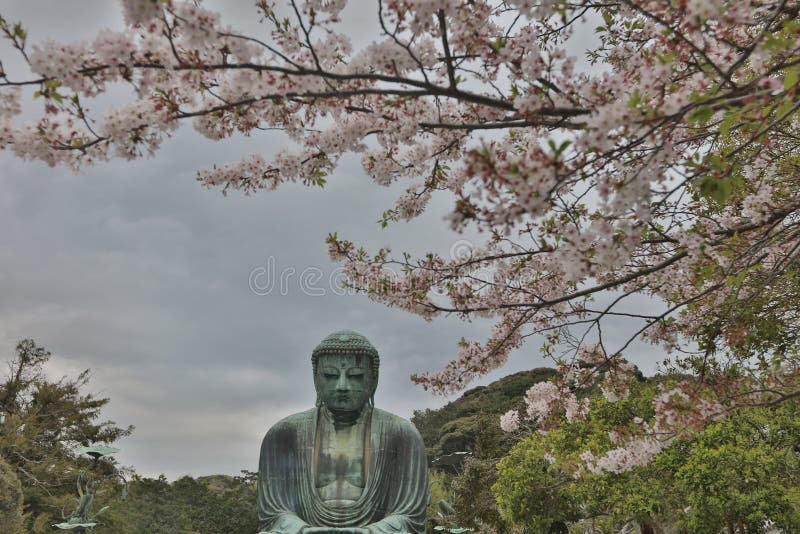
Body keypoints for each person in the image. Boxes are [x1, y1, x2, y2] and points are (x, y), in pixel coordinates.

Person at [257, 331, 429, 533]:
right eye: (330, 375)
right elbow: (273, 515)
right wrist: (304, 531)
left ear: (373, 380)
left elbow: (410, 518)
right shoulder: (285, 434)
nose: (342, 386)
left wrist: (366, 533)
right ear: (316, 379)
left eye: (355, 376)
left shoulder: (401, 434)